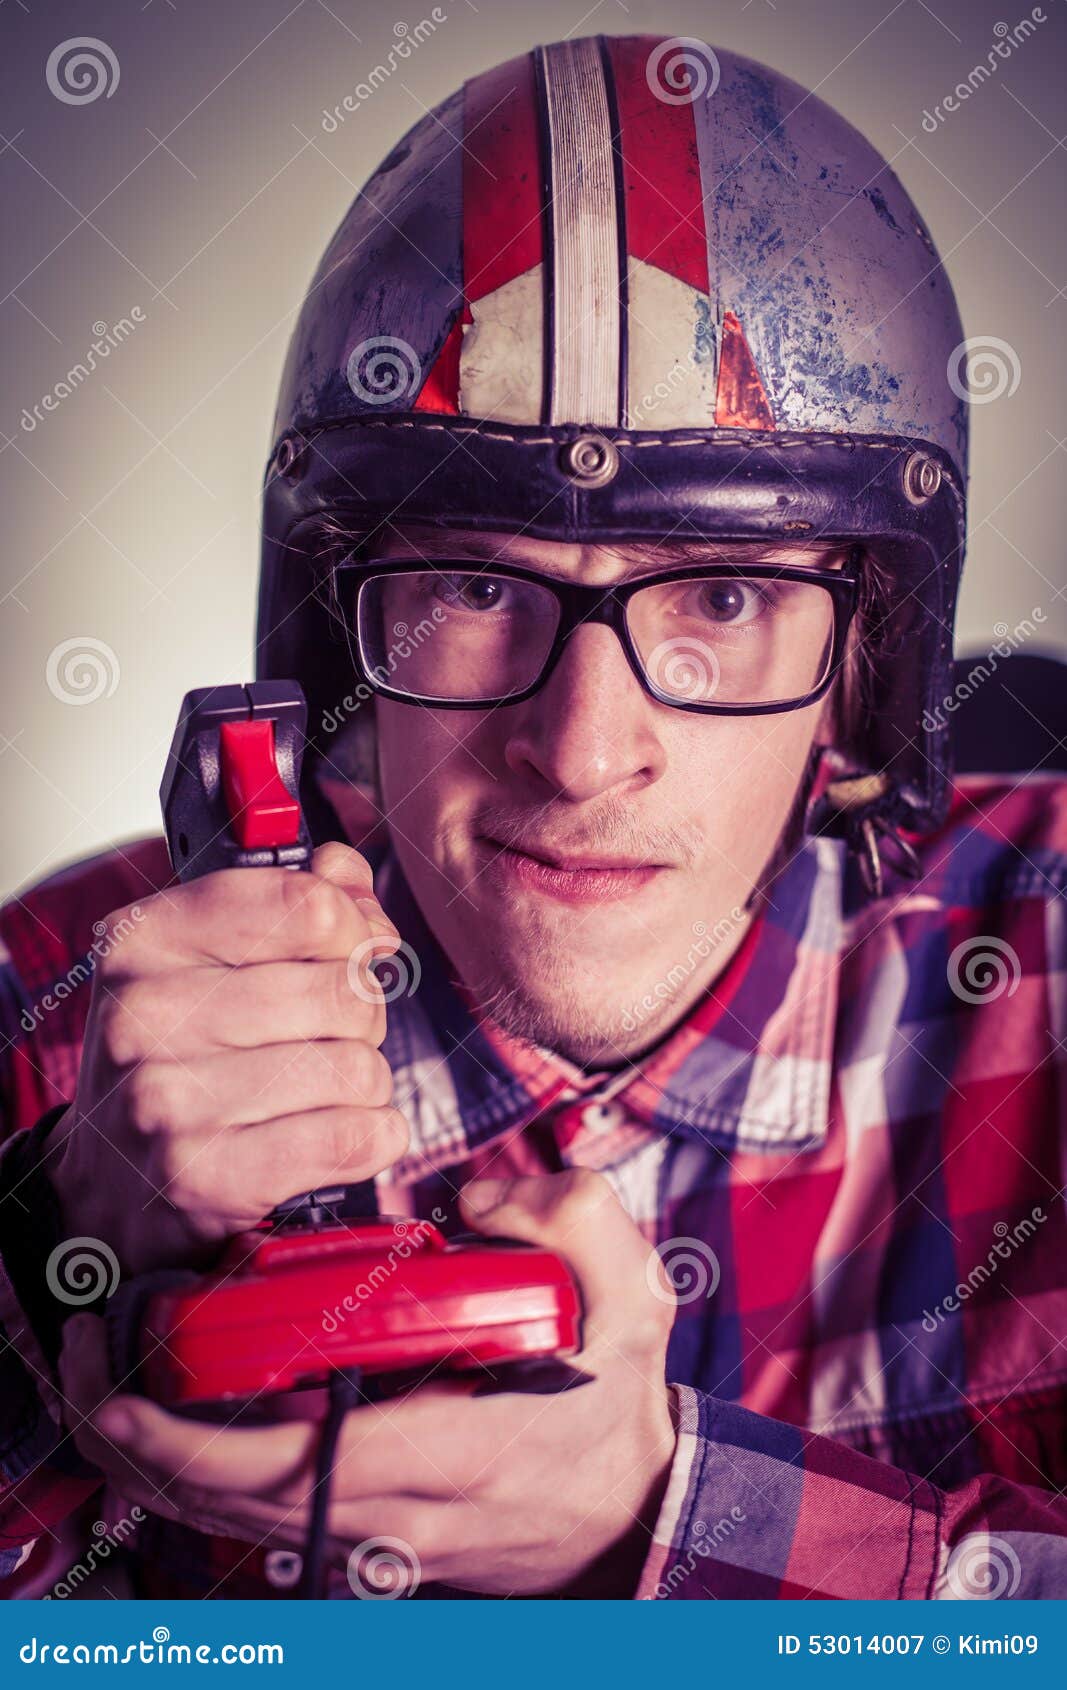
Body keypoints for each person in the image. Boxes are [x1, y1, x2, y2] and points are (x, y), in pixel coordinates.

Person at [1, 34, 1064, 1602]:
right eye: (477, 587)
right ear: (335, 650)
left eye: (722, 593)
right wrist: (55, 1273)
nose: (580, 750)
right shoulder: (68, 1003)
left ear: (865, 670)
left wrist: (675, 1523)